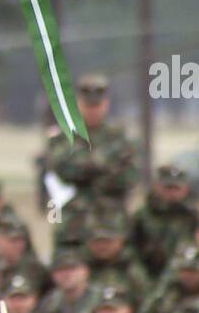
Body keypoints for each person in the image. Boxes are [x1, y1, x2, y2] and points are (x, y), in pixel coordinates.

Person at [42, 73, 138, 249]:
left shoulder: (120, 137)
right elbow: (65, 171)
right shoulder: (62, 137)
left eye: (97, 105)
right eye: (88, 105)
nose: (93, 110)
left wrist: (88, 166)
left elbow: (129, 177)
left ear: (106, 104)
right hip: (73, 227)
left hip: (113, 225)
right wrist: (108, 163)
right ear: (78, 103)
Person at [128, 164, 198, 279]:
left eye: (176, 189)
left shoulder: (192, 217)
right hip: (148, 275)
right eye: (168, 188)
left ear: (185, 190)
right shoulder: (142, 217)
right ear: (157, 187)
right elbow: (132, 250)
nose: (172, 193)